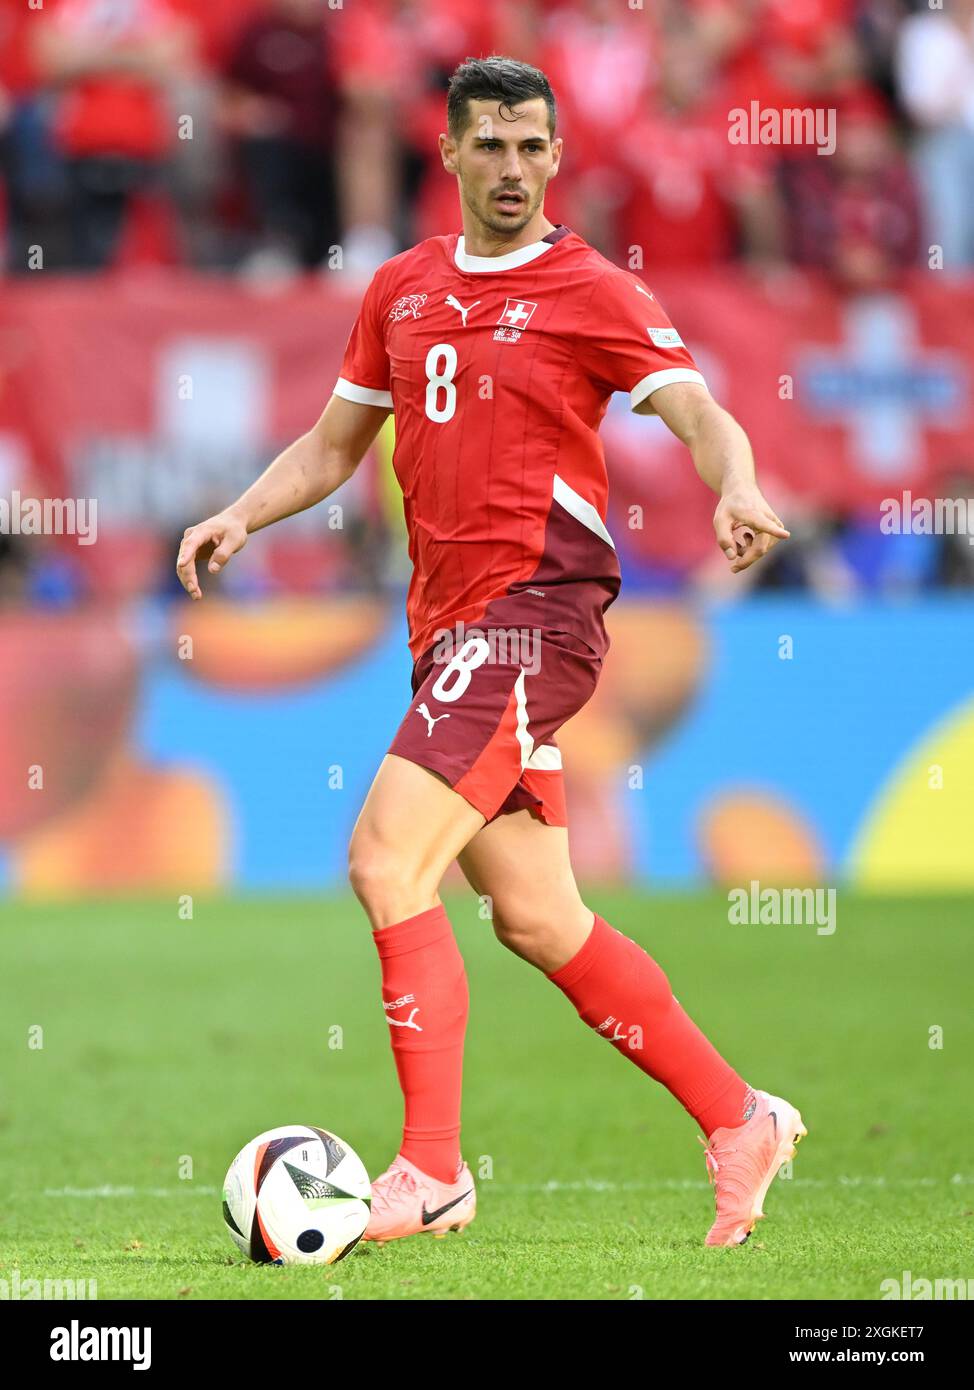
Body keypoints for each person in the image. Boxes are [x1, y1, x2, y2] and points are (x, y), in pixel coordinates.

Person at [176, 56, 805, 1248]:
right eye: (490, 147)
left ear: (555, 156)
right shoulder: (403, 290)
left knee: (382, 860)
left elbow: (696, 407)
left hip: (531, 620)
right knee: (537, 915)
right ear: (452, 156)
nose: (512, 169)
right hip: (446, 636)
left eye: (531, 147)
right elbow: (329, 449)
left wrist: (737, 483)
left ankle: (431, 1169)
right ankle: (738, 1118)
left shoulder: (591, 288)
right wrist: (238, 514)